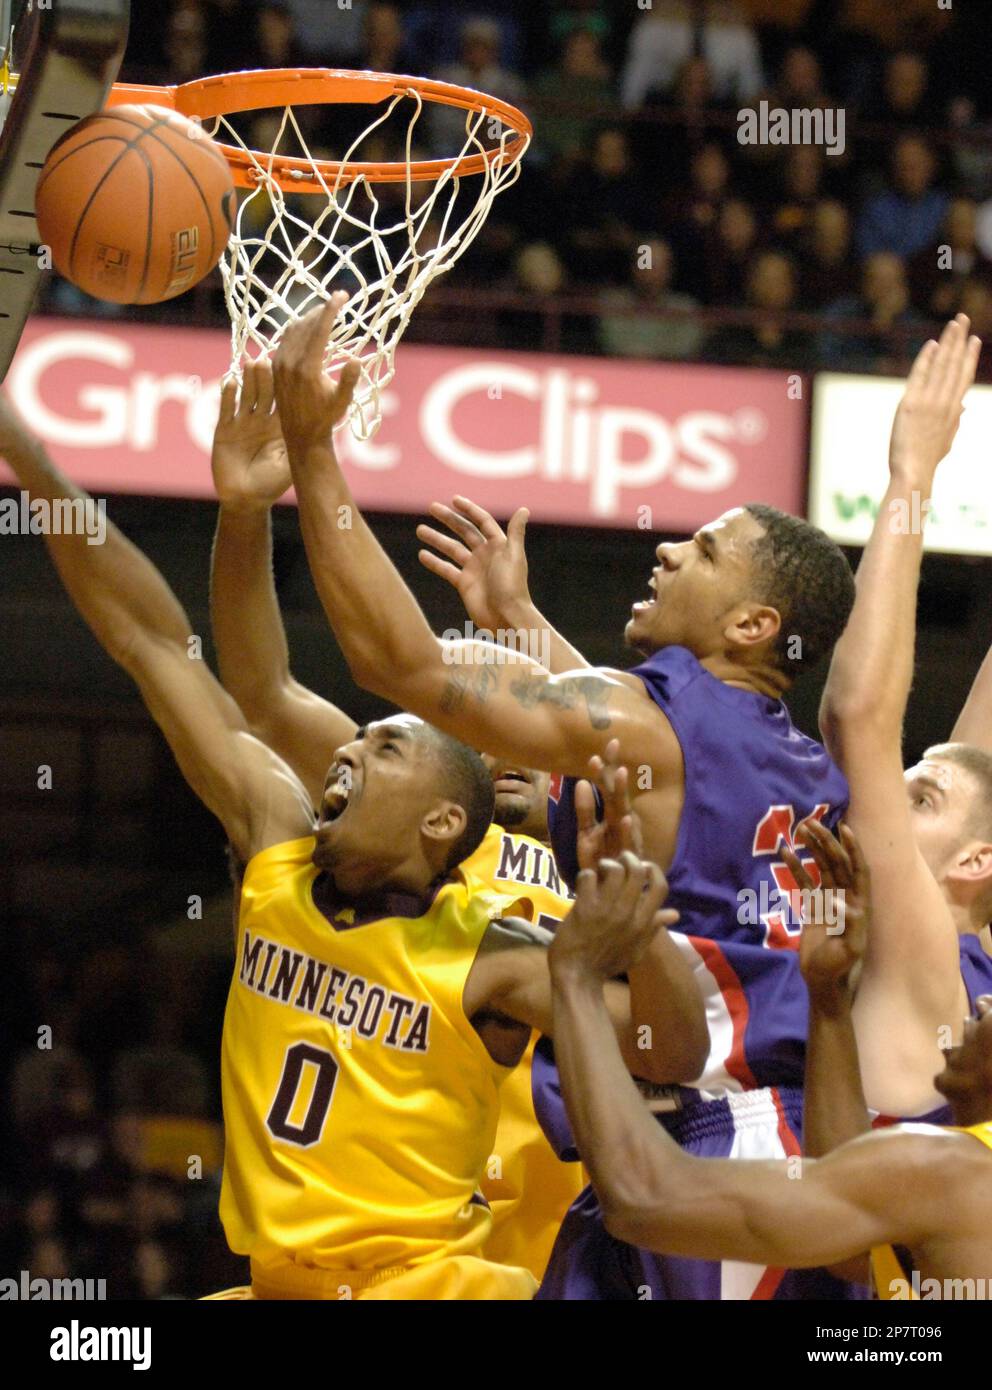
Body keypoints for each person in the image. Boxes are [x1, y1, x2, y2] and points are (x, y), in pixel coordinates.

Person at [0, 393, 707, 1301]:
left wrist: (633, 903)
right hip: (298, 1275)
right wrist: (49, 454)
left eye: (394, 736)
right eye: (372, 734)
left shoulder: (561, 875)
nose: (352, 747)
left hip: (509, 1227)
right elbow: (180, 657)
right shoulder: (293, 845)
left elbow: (668, 1041)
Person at [271, 292, 858, 1300]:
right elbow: (642, 749)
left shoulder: (650, 724)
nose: (669, 549)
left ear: (756, 623)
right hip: (748, 1146)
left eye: (706, 550)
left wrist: (310, 452)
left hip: (707, 1148)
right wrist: (519, 617)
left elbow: (396, 661)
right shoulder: (797, 760)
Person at [207, 365, 591, 1284]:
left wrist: (524, 623)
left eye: (505, 716)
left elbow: (629, 743)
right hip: (410, 1225)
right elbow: (262, 693)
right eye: (467, 721)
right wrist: (244, 512)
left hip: (567, 1209)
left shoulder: (604, 840)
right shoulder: (403, 806)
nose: (486, 737)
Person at [545, 809, 992, 1295]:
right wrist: (828, 999)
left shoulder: (948, 1172)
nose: (985, 1000)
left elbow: (644, 1197)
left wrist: (577, 977)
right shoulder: (947, 1183)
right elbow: (844, 1246)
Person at [819, 314, 992, 1125]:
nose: (886, 793)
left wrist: (913, 474)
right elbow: (976, 760)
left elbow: (858, 714)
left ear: (974, 862)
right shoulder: (974, 958)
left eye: (917, 798)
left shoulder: (924, 945)